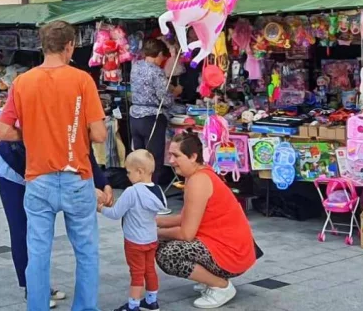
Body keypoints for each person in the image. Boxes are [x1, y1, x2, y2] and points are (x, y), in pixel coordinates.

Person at [0, 20, 107, 311]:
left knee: (38, 252)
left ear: (42, 46)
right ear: (70, 46)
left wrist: (30, 133)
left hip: (39, 179)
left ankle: (37, 306)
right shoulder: (82, 80)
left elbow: (3, 131)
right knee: (86, 251)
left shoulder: (22, 82)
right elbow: (99, 134)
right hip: (76, 177)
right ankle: (84, 307)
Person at [0, 140, 113, 309]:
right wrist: (82, 185)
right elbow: (10, 134)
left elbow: (83, 145)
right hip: (17, 166)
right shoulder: (35, 116)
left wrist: (101, 182)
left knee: (44, 241)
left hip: (46, 172)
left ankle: (40, 291)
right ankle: (33, 291)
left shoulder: (75, 115)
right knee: (22, 229)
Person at [155, 132, 259, 309]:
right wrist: (155, 221)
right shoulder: (197, 175)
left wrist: (152, 232)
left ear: (193, 156)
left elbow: (187, 234)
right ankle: (211, 280)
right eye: (170, 154)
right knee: (163, 244)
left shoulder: (198, 181)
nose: (171, 160)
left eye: (176, 155)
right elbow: (186, 218)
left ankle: (221, 286)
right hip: (229, 246)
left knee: (167, 254)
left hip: (231, 253)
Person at [100, 150, 167, 311]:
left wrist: (100, 208)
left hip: (134, 241)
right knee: (150, 269)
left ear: (140, 171)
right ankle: (152, 301)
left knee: (136, 273)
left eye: (129, 172)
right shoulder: (158, 191)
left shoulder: (132, 191)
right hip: (151, 239)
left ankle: (133, 305)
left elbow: (116, 213)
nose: (127, 176)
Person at [129, 38, 181, 214]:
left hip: (135, 117)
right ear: (158, 55)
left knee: (139, 159)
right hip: (152, 117)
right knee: (153, 160)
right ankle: (153, 203)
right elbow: (163, 98)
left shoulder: (135, 67)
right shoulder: (156, 72)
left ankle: (139, 198)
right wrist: (174, 93)